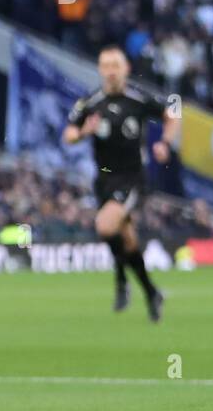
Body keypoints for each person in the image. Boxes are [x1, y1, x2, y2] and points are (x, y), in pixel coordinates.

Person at [64, 45, 179, 321]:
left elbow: (172, 112)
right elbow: (68, 134)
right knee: (126, 240)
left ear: (126, 68)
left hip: (132, 178)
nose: (111, 71)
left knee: (105, 225)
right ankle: (151, 292)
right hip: (103, 177)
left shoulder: (138, 98)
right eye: (106, 66)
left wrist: (164, 142)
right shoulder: (91, 102)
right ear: (101, 70)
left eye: (116, 65)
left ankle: (121, 281)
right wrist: (83, 132)